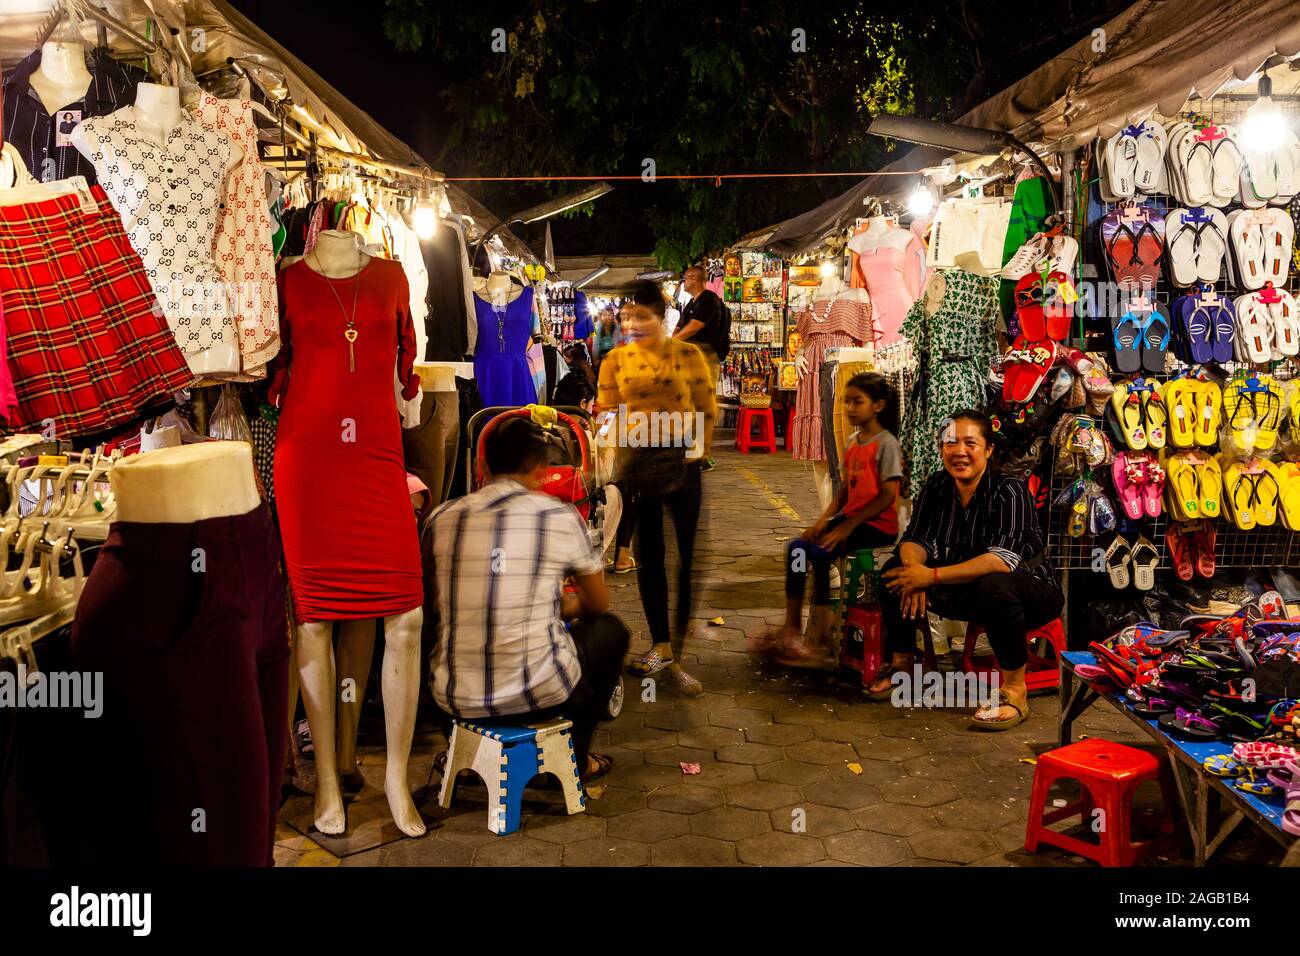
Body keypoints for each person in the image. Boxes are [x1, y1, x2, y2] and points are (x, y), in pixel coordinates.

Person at [426, 416, 630, 782]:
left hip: (454, 700)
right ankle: (576, 759)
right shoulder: (560, 516)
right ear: (540, 469)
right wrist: (563, 606)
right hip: (543, 694)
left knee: (433, 627)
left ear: (482, 465)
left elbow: (437, 600)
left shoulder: (442, 517)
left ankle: (460, 748)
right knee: (610, 632)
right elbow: (599, 604)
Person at [871, 410, 1063, 730]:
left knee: (996, 585)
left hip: (1030, 591)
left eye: (970, 443)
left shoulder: (1010, 490)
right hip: (970, 588)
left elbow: (1001, 560)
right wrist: (914, 571)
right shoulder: (937, 485)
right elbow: (915, 538)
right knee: (894, 572)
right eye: (950, 443)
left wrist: (930, 577)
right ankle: (902, 663)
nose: (959, 451)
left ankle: (1015, 691)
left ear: (988, 449)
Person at [598, 279, 715, 696]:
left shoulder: (688, 356)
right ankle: (660, 644)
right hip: (640, 467)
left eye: (642, 316)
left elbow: (706, 410)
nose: (634, 324)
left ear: (660, 316)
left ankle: (678, 656)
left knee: (687, 560)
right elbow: (608, 412)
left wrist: (693, 451)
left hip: (683, 466)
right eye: (628, 317)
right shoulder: (614, 361)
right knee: (651, 557)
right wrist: (606, 444)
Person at [760, 373, 902, 669]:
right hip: (849, 520)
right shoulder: (853, 441)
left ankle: (822, 641)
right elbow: (843, 495)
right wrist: (822, 522)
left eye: (857, 402)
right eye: (846, 401)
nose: (850, 408)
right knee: (798, 550)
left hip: (877, 527)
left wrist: (846, 527)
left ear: (877, 405)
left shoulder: (886, 444)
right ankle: (791, 629)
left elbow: (888, 496)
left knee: (821, 554)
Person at [674, 265, 724, 467]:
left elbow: (694, 326)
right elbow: (680, 326)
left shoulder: (708, 300)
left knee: (703, 407)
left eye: (686, 278)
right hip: (690, 358)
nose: (684, 282)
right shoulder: (691, 303)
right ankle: (692, 449)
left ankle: (704, 454)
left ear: (695, 278)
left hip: (704, 357)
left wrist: (673, 341)